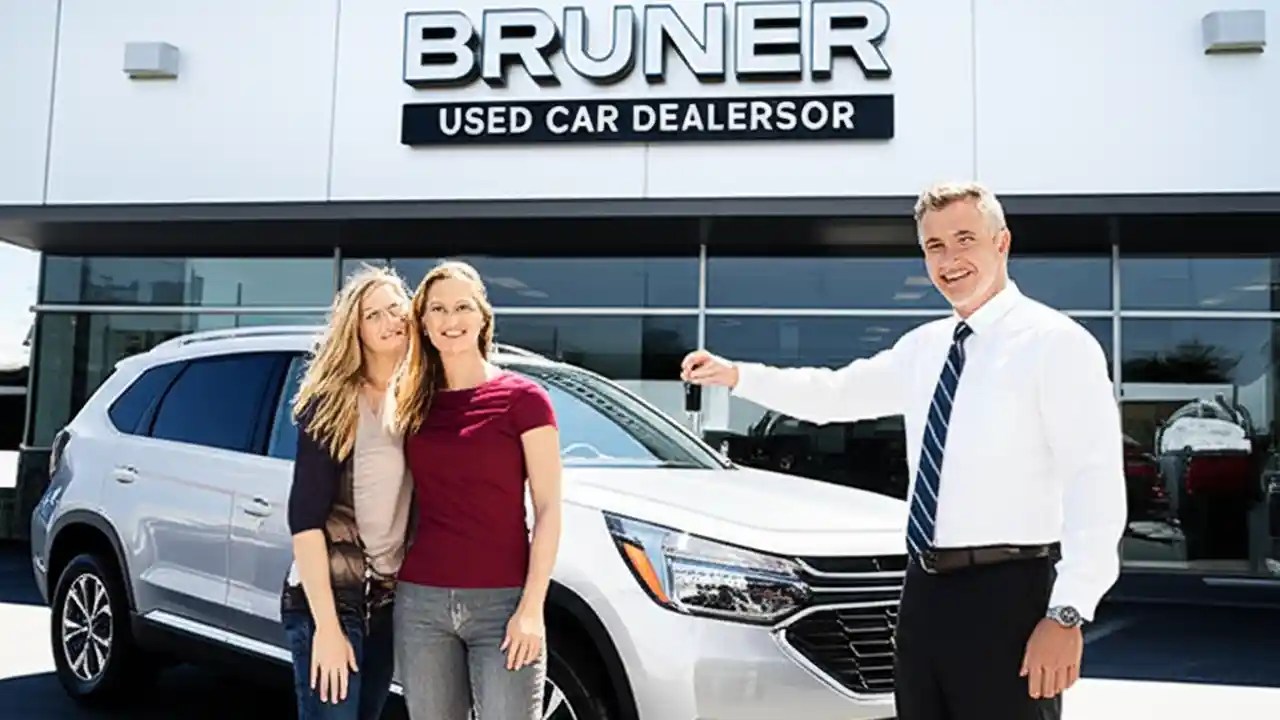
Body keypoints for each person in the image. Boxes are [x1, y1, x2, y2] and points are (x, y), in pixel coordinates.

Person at [681, 181, 1127, 720]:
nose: (949, 259)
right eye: (934, 246)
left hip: (1011, 592)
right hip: (922, 592)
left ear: (1002, 242)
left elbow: (1093, 483)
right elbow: (833, 395)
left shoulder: (1055, 344)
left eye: (964, 239)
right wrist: (737, 375)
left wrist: (1069, 611)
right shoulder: (924, 348)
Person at [387, 260, 563, 720]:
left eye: (463, 307)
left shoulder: (524, 400)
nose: (451, 320)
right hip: (421, 602)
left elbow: (548, 508)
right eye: (438, 309)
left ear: (483, 317)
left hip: (503, 604)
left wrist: (532, 609)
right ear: (423, 324)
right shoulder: (409, 403)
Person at [280, 265, 415, 720]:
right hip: (332, 599)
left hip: (386, 601)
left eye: (395, 308)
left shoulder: (419, 400)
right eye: (372, 315)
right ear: (355, 331)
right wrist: (327, 628)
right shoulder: (333, 402)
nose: (389, 321)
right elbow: (304, 522)